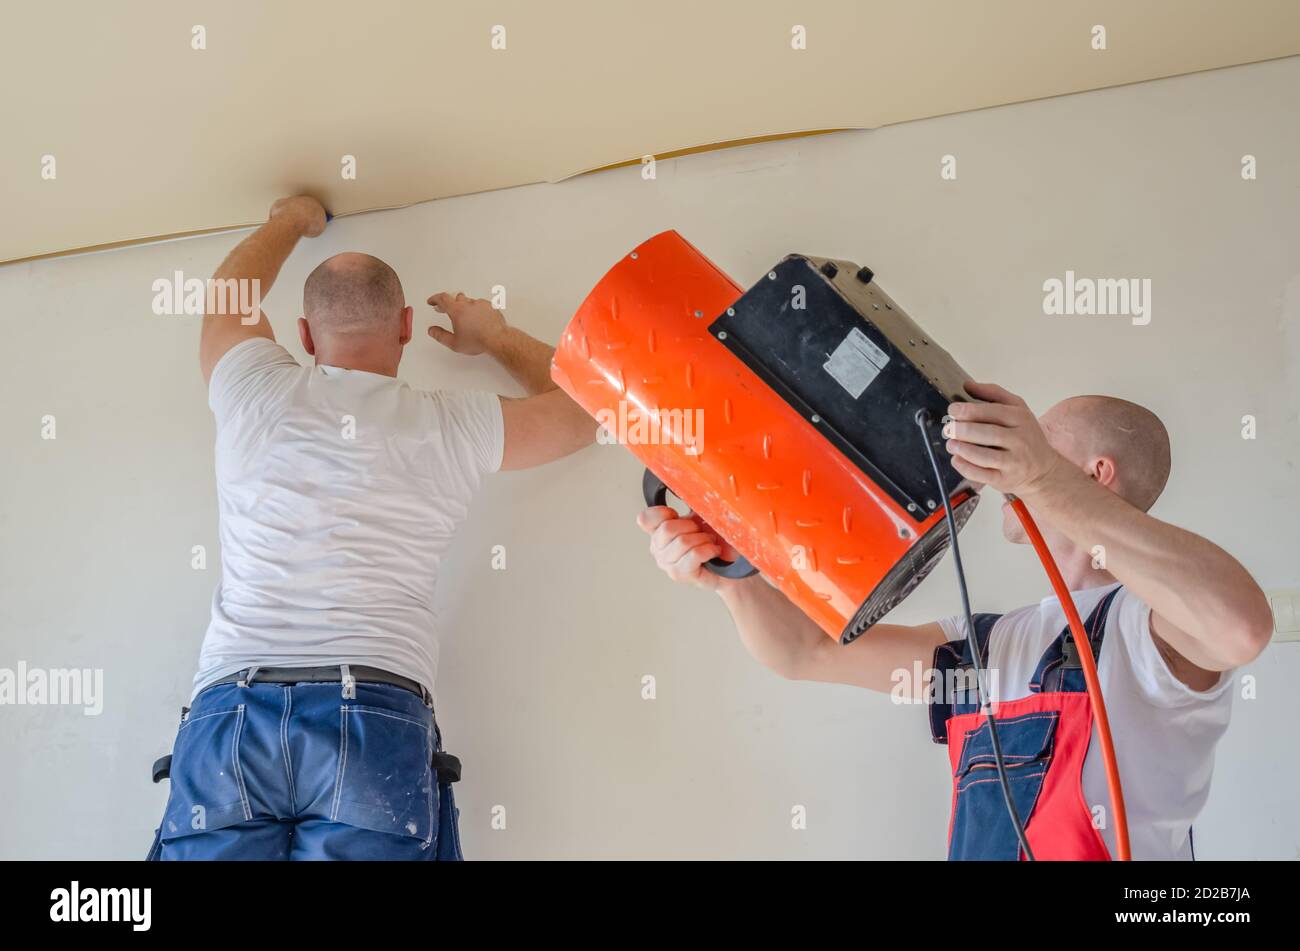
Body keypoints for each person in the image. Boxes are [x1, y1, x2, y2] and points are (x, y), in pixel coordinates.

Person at [638, 382, 1273, 859]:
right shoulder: (991, 644)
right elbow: (805, 652)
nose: (1007, 459)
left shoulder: (1146, 626)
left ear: (1094, 473)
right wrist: (725, 573)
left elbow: (1240, 627)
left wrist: (1043, 478)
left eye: (1041, 439)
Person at [149, 196, 595, 860]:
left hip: (234, 709)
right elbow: (587, 411)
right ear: (408, 325)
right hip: (371, 713)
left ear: (303, 335)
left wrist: (293, 218)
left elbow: (228, 295)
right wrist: (491, 336)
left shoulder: (252, 389)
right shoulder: (448, 422)